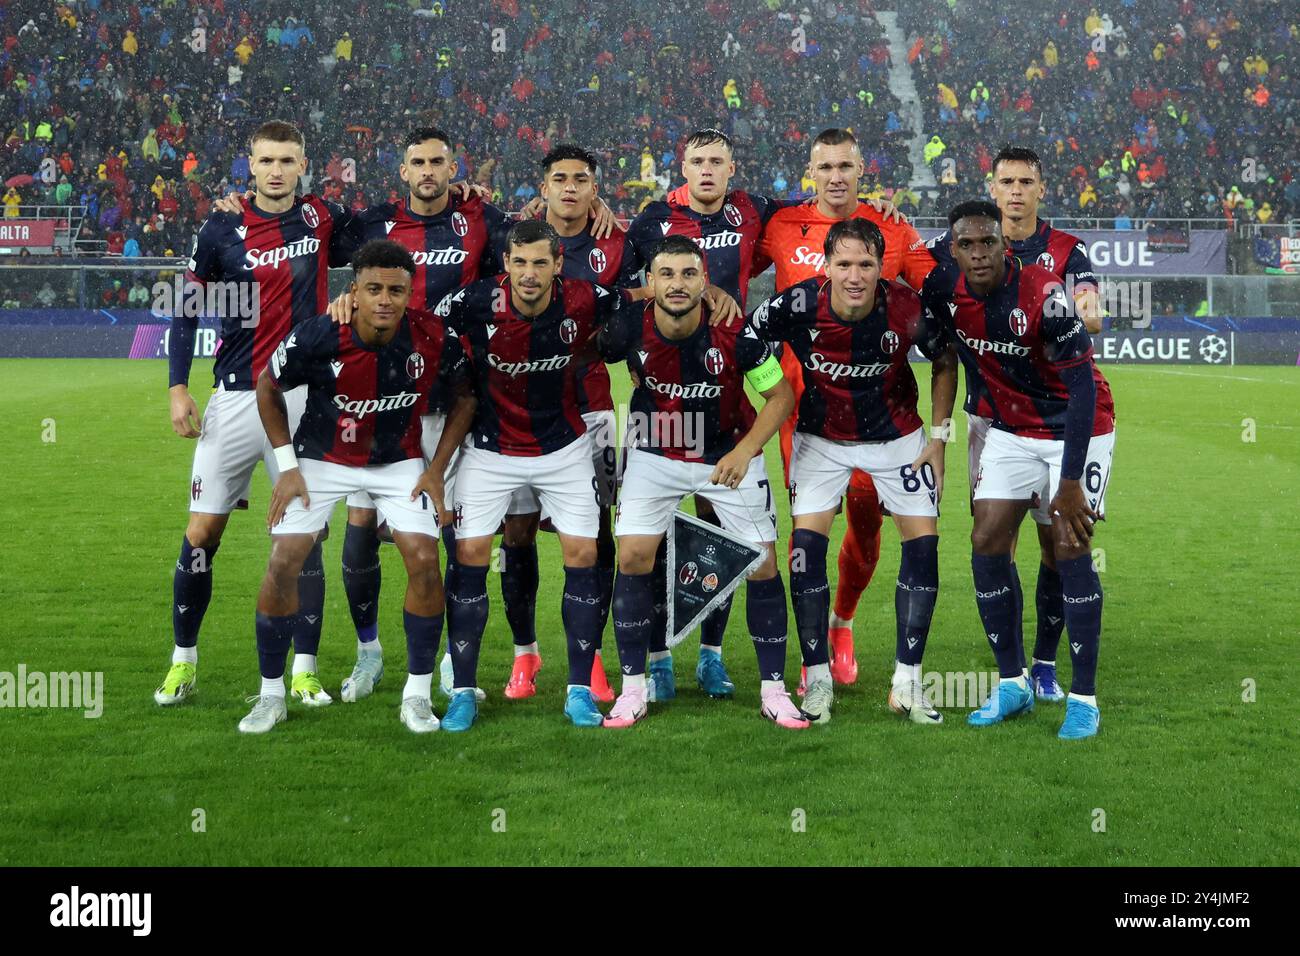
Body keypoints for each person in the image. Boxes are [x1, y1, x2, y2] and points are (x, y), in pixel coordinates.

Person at [156, 120, 352, 710]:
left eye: (286, 161)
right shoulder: (222, 226)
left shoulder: (323, 219)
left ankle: (305, 672)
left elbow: (393, 243)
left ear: (302, 165)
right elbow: (186, 308)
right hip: (237, 394)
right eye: (265, 160)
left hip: (303, 396)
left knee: (305, 538)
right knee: (201, 535)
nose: (275, 170)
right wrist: (176, 388)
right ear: (250, 163)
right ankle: (182, 662)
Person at [239, 239, 470, 734]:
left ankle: (417, 694)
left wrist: (437, 467)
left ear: (410, 294)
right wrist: (287, 466)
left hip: (397, 462)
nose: (384, 299)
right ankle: (271, 695)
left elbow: (467, 398)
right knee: (283, 562)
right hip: (321, 461)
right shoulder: (319, 335)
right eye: (373, 289)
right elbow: (267, 386)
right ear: (355, 292)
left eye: (395, 289)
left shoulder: (434, 337)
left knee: (426, 562)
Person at [751, 218, 957, 725]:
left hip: (898, 439)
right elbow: (747, 337)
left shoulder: (907, 307)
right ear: (826, 266)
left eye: (866, 264)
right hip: (821, 441)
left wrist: (939, 438)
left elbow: (946, 360)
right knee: (805, 554)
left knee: (923, 548)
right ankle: (817, 677)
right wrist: (775, 392)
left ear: (880, 267)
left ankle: (907, 682)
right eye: (843, 263)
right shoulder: (797, 304)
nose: (855, 274)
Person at [922, 201, 1114, 740]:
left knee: (1071, 544)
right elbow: (931, 339)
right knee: (986, 538)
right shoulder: (943, 290)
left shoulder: (1044, 295)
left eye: (989, 243)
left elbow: (1080, 387)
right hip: (1010, 430)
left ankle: (1084, 698)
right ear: (953, 249)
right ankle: (1013, 684)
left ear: (1005, 245)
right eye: (968, 245)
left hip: (1080, 426)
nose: (979, 254)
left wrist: (1071, 481)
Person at [597, 235, 806, 730]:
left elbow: (779, 397)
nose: (676, 284)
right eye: (665, 274)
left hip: (725, 455)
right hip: (655, 451)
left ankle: (773, 691)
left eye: (688, 274)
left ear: (704, 281)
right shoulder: (628, 326)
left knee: (761, 564)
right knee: (632, 556)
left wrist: (745, 450)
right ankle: (633, 688)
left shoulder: (738, 333)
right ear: (649, 283)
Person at [433, 220, 627, 731]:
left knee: (583, 555)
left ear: (558, 265)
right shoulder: (473, 302)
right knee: (469, 556)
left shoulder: (585, 299)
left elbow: (642, 300)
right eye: (519, 262)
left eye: (541, 262)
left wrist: (711, 295)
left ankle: (580, 689)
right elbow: (419, 324)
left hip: (564, 450)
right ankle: (464, 690)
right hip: (490, 452)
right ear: (505, 264)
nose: (529, 273)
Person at [617, 127, 776, 700]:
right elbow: (616, 291)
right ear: (681, 168)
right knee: (647, 543)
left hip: (722, 391)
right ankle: (656, 657)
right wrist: (666, 298)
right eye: (697, 161)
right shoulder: (652, 218)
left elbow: (825, 212)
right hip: (657, 400)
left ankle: (710, 654)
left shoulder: (755, 210)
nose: (707, 170)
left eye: (717, 161)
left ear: (732, 168)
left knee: (719, 537)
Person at [495, 144, 628, 703]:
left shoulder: (619, 240)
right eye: (559, 179)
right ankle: (525, 655)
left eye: (581, 180)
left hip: (591, 410)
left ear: (595, 188)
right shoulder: (514, 238)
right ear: (542, 187)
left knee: (594, 536)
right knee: (516, 533)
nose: (570, 188)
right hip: (517, 411)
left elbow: (641, 303)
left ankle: (590, 655)